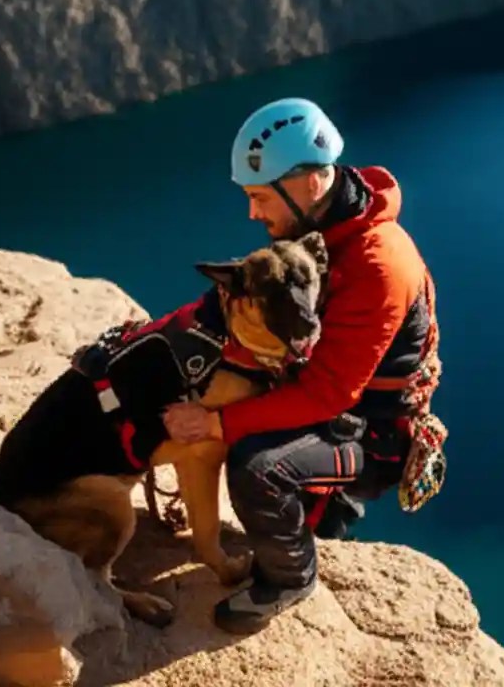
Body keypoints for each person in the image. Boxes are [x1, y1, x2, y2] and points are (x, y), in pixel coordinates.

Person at [162, 97, 446, 635]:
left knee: (259, 467)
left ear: (309, 184)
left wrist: (218, 424)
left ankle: (291, 577)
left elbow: (330, 393)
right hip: (339, 405)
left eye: (259, 197)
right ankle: (310, 512)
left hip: (375, 435)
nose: (252, 213)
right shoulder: (319, 234)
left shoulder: (377, 265)